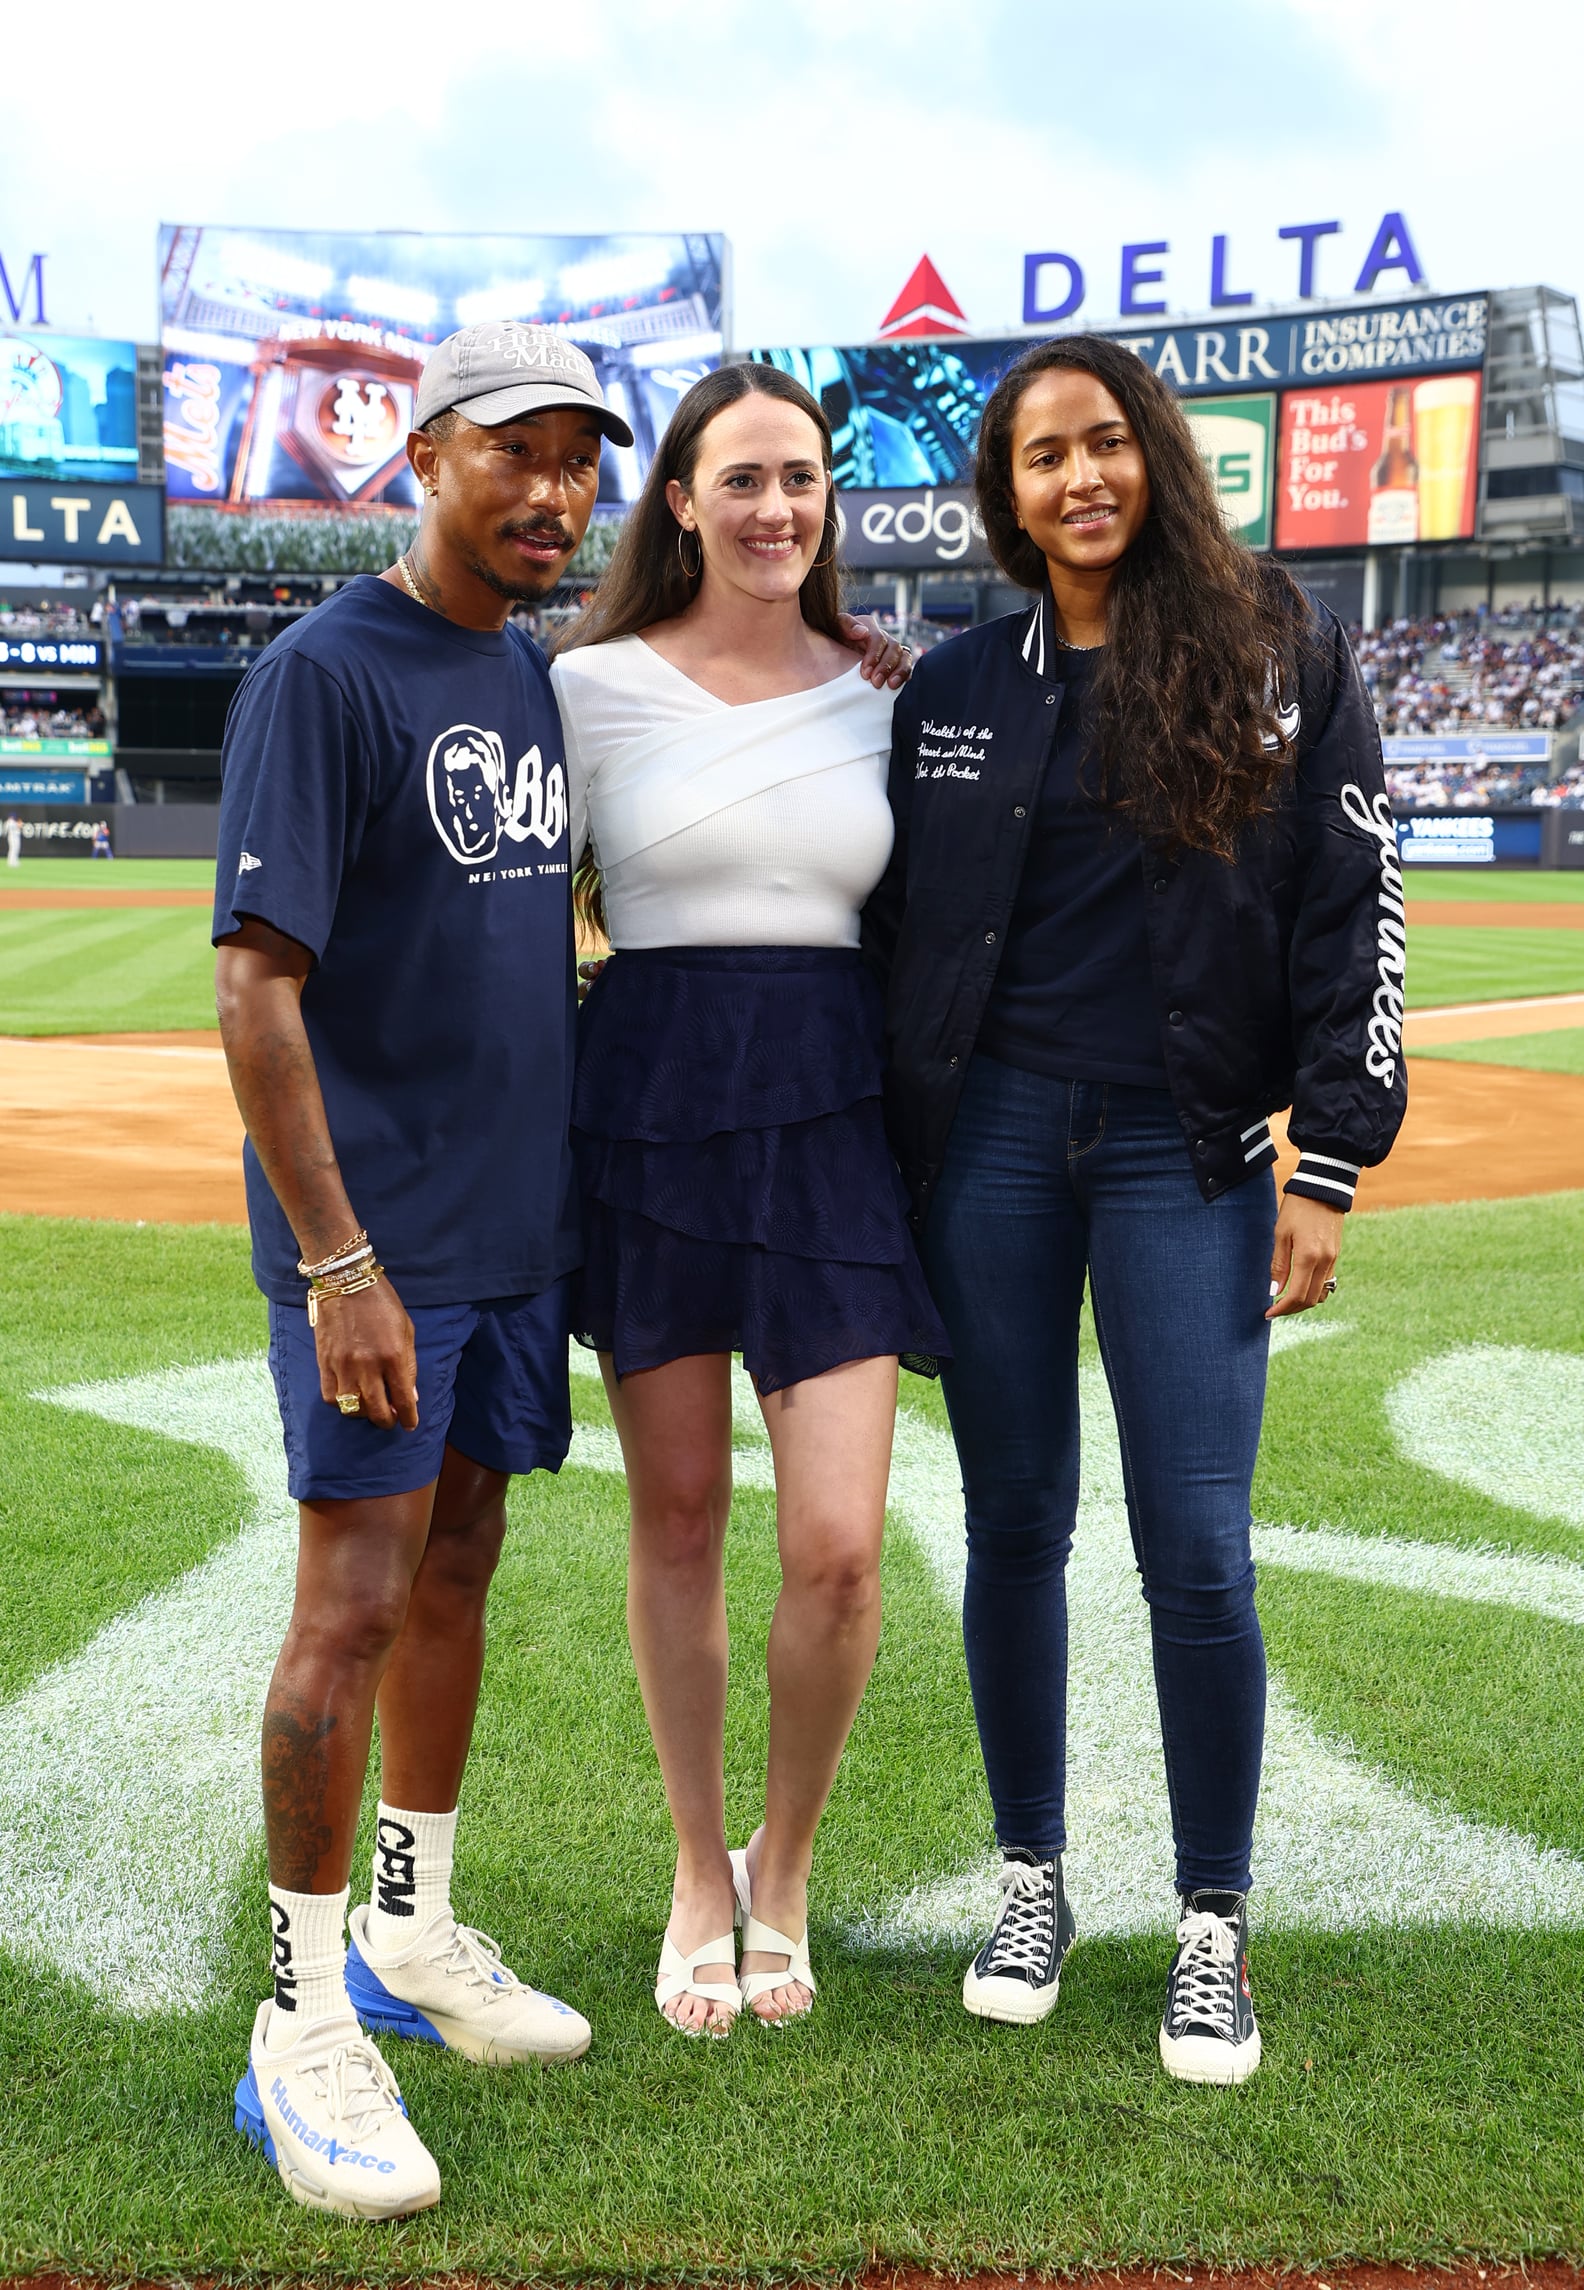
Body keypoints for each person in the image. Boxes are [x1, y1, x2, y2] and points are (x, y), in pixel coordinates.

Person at [214, 324, 908, 2218]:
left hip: (522, 1232)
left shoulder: (532, 678)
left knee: (458, 1568)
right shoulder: (323, 670)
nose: (549, 492)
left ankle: (416, 1935)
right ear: (421, 458)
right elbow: (254, 980)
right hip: (384, 1242)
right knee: (347, 1602)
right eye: (512, 455)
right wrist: (339, 1253)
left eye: (575, 463)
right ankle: (300, 2018)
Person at [863, 334, 1406, 2087]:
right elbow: (883, 939)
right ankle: (1034, 1876)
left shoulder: (1280, 644)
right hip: (997, 1150)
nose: (1079, 478)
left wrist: (1327, 1159)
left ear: (1156, 455)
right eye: (1041, 457)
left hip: (1192, 1155)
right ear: (1004, 494)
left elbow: (1352, 903)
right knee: (1014, 1521)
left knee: (1199, 1546)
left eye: (1104, 443)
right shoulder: (950, 684)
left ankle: (1212, 1922)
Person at [551, 363, 946, 2038]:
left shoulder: (890, 692)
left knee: (840, 1547)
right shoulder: (580, 685)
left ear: (827, 500)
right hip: (648, 1105)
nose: (775, 506)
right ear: (684, 502)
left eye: (802, 477)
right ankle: (696, 1872)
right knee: (683, 1518)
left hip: (835, 1114)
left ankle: (783, 1866)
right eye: (742, 478)